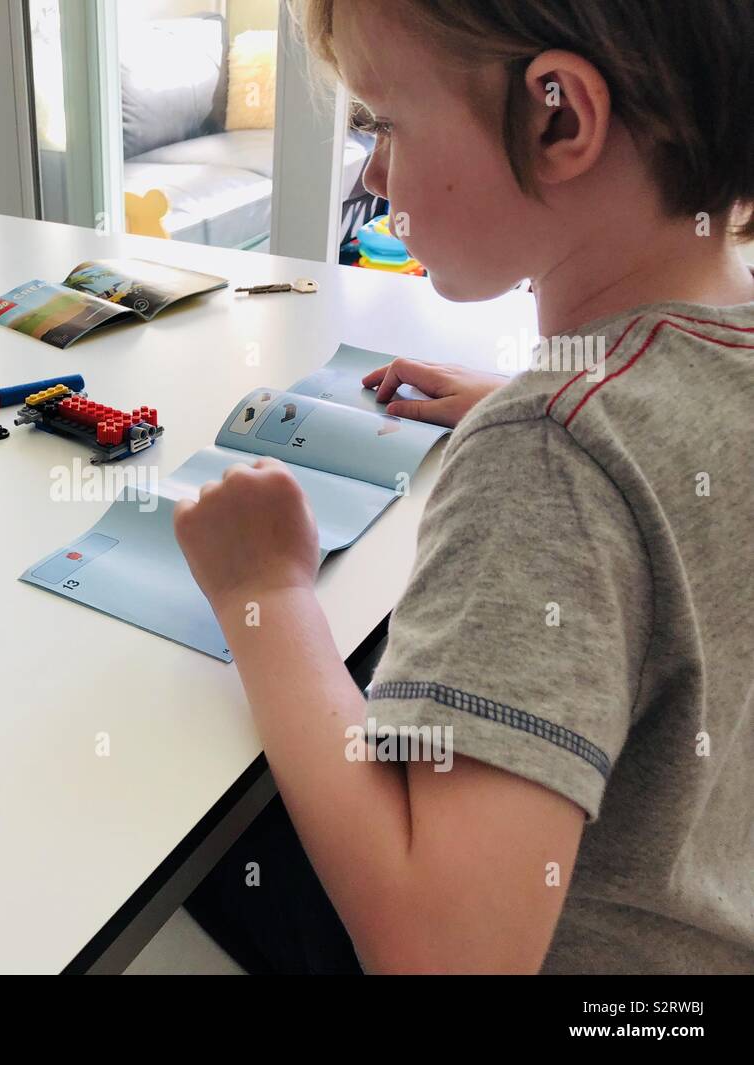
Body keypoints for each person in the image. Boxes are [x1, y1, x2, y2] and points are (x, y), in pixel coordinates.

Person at [175, 0, 754, 973]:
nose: (371, 173)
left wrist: (263, 594)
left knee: (200, 846)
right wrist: (579, 397)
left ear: (556, 117)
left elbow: (442, 959)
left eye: (387, 125)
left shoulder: (547, 456)